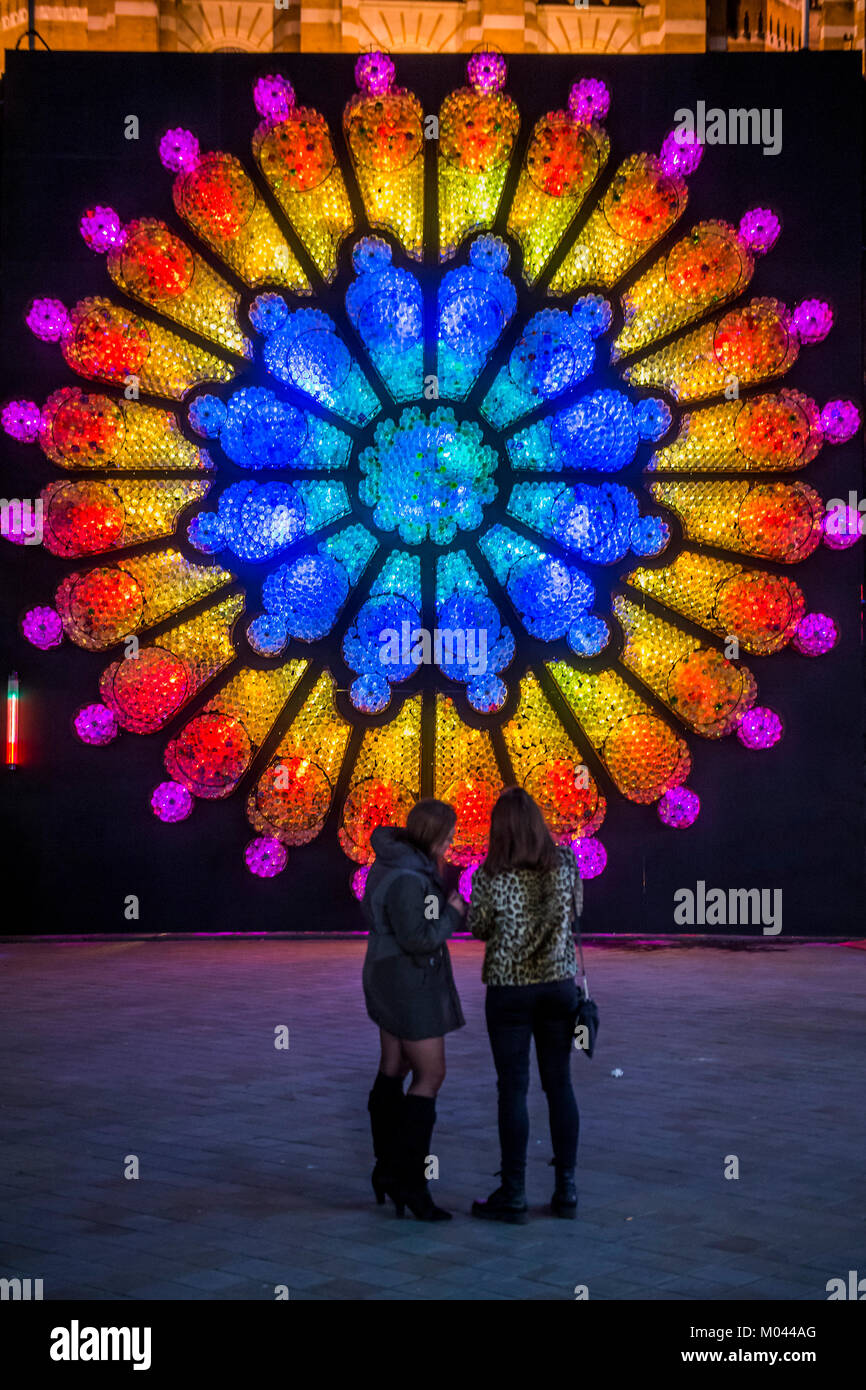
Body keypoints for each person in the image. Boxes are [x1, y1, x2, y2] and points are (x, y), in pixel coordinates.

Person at [466, 786, 583, 1223]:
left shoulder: (489, 874)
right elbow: (576, 912)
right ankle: (566, 1188)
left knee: (513, 1088)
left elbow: (478, 927)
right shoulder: (566, 865)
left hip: (509, 990)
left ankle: (513, 1192)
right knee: (560, 1085)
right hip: (558, 985)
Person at [362, 798, 467, 1221]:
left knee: (393, 1066)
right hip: (409, 983)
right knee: (431, 1074)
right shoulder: (411, 877)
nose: (452, 841)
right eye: (449, 834)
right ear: (435, 836)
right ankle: (410, 1182)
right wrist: (454, 913)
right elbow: (420, 937)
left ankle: (387, 1171)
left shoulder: (392, 863)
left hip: (385, 974)